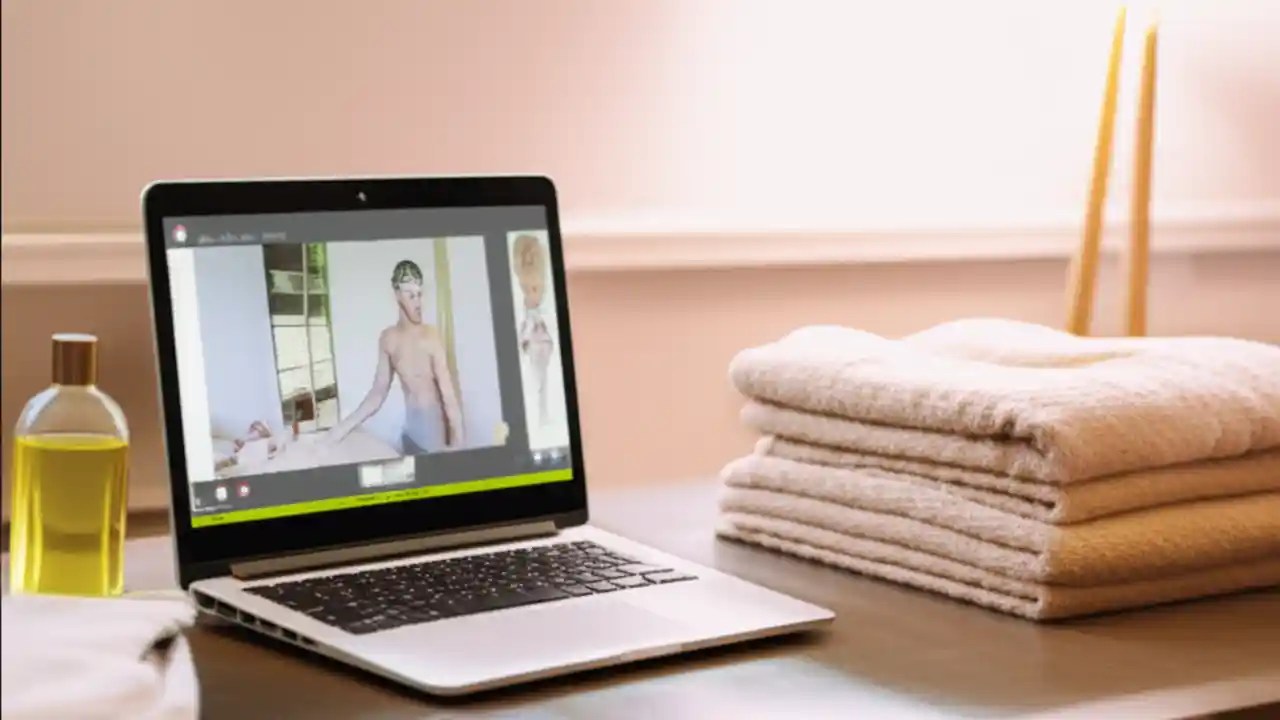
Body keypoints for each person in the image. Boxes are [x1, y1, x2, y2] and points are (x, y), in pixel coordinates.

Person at [325, 259, 464, 453]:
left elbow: (448, 395)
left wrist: (459, 444)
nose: (418, 303)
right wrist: (341, 429)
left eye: (419, 295)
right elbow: (377, 394)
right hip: (409, 436)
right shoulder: (388, 339)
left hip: (433, 442)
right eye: (411, 296)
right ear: (398, 295)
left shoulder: (431, 337)